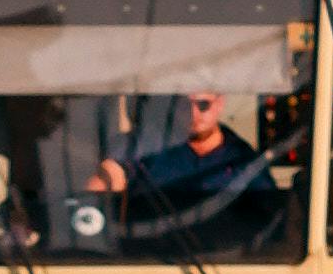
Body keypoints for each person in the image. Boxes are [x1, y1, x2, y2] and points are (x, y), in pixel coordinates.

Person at [100, 89, 272, 248]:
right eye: (184, 105)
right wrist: (106, 178)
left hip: (223, 266)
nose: (193, 113)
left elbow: (269, 222)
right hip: (147, 263)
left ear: (220, 102)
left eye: (203, 105)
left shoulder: (245, 162)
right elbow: (106, 179)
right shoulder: (144, 149)